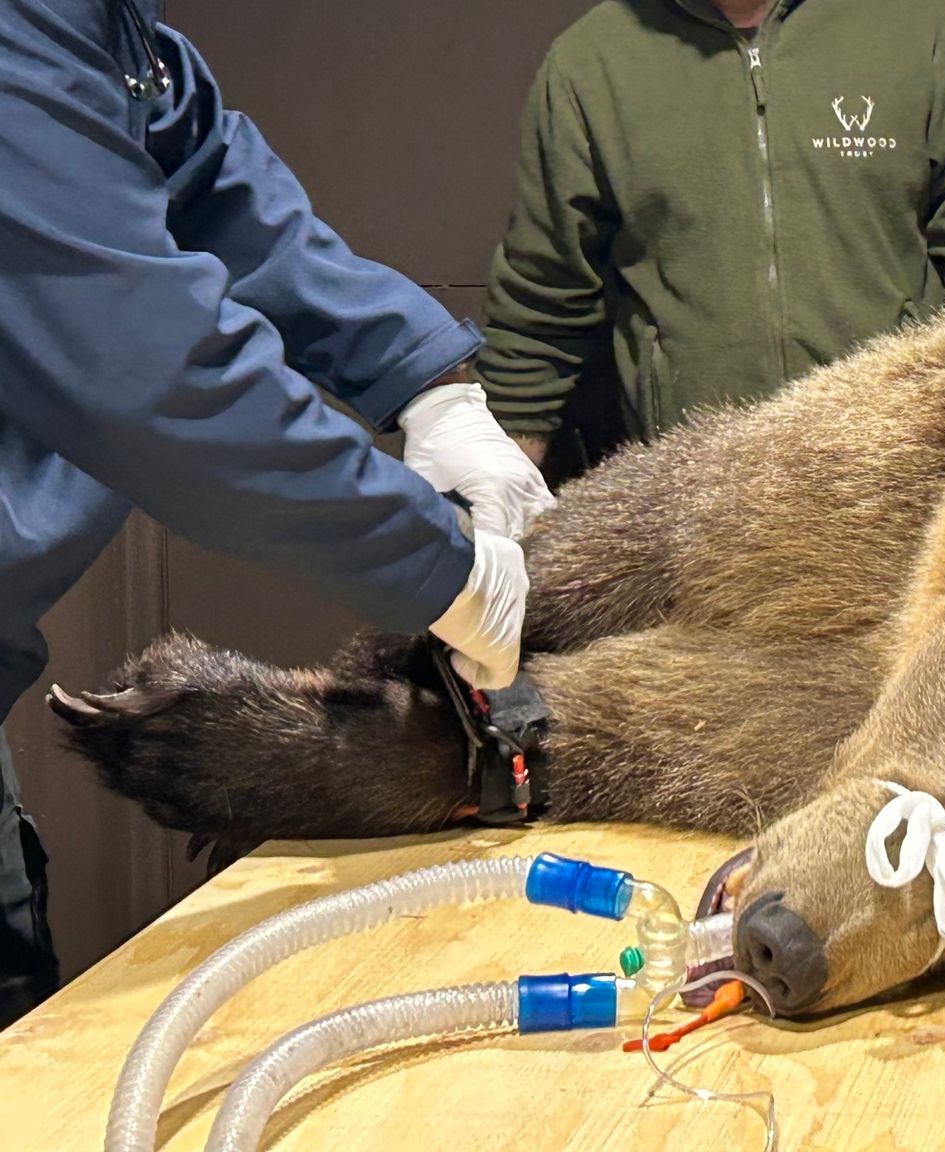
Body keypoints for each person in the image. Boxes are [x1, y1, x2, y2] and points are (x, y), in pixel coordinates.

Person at [0, 0, 553, 1027]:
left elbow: (202, 173)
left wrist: (424, 383)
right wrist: (446, 574)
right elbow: (152, 379)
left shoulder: (103, 26)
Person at [478, 0, 945, 475]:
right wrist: (496, 486)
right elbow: (545, 295)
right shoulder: (593, 60)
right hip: (689, 492)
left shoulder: (924, 29)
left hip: (889, 482)